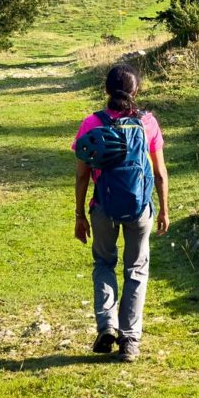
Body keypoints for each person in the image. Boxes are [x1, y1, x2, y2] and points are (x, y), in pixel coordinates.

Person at [72, 64, 168, 362]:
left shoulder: (92, 122)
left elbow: (82, 176)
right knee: (136, 269)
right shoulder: (148, 123)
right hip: (140, 208)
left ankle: (107, 325)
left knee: (103, 263)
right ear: (136, 91)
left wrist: (79, 214)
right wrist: (163, 209)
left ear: (106, 90)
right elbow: (160, 173)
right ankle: (130, 342)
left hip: (103, 206)